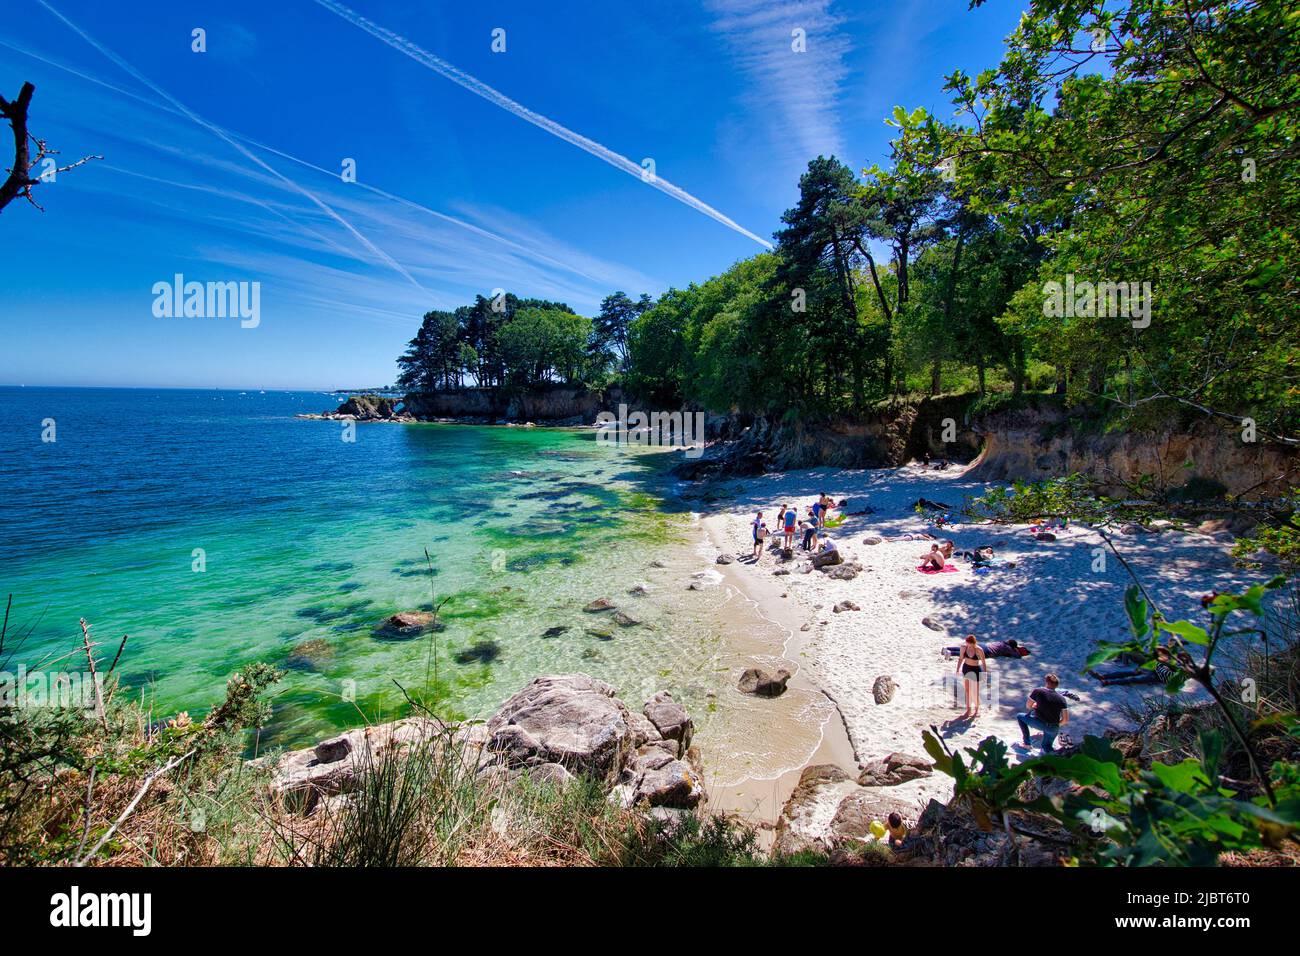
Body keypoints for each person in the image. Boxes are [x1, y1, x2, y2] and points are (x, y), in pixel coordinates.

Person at [1016, 674, 1069, 753]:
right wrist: (1054, 725)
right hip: (1054, 728)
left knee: (1020, 716)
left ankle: (1027, 744)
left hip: (1040, 723)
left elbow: (1028, 706)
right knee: (1047, 747)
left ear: (1047, 682)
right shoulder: (1062, 699)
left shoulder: (1038, 691)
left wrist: (1034, 706)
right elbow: (1065, 720)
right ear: (1056, 686)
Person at [1089, 646, 1177, 687]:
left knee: (1134, 679)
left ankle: (1109, 682)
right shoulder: (1161, 660)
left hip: (1156, 677)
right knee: (1128, 673)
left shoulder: (1171, 664)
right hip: (1152, 670)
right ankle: (1102, 676)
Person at [955, 635, 985, 719]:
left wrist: (984, 673)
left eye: (969, 643)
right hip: (966, 668)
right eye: (967, 643)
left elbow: (983, 662)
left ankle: (976, 710)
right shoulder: (963, 648)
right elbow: (960, 659)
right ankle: (968, 710)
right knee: (967, 691)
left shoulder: (979, 649)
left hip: (975, 670)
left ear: (973, 643)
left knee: (975, 692)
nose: (967, 644)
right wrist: (957, 669)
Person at [943, 639, 1029, 659]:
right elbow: (1017, 656)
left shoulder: (1001, 642)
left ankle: (947, 649)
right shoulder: (1008, 648)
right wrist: (1017, 650)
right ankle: (951, 653)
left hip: (984, 645)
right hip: (987, 651)